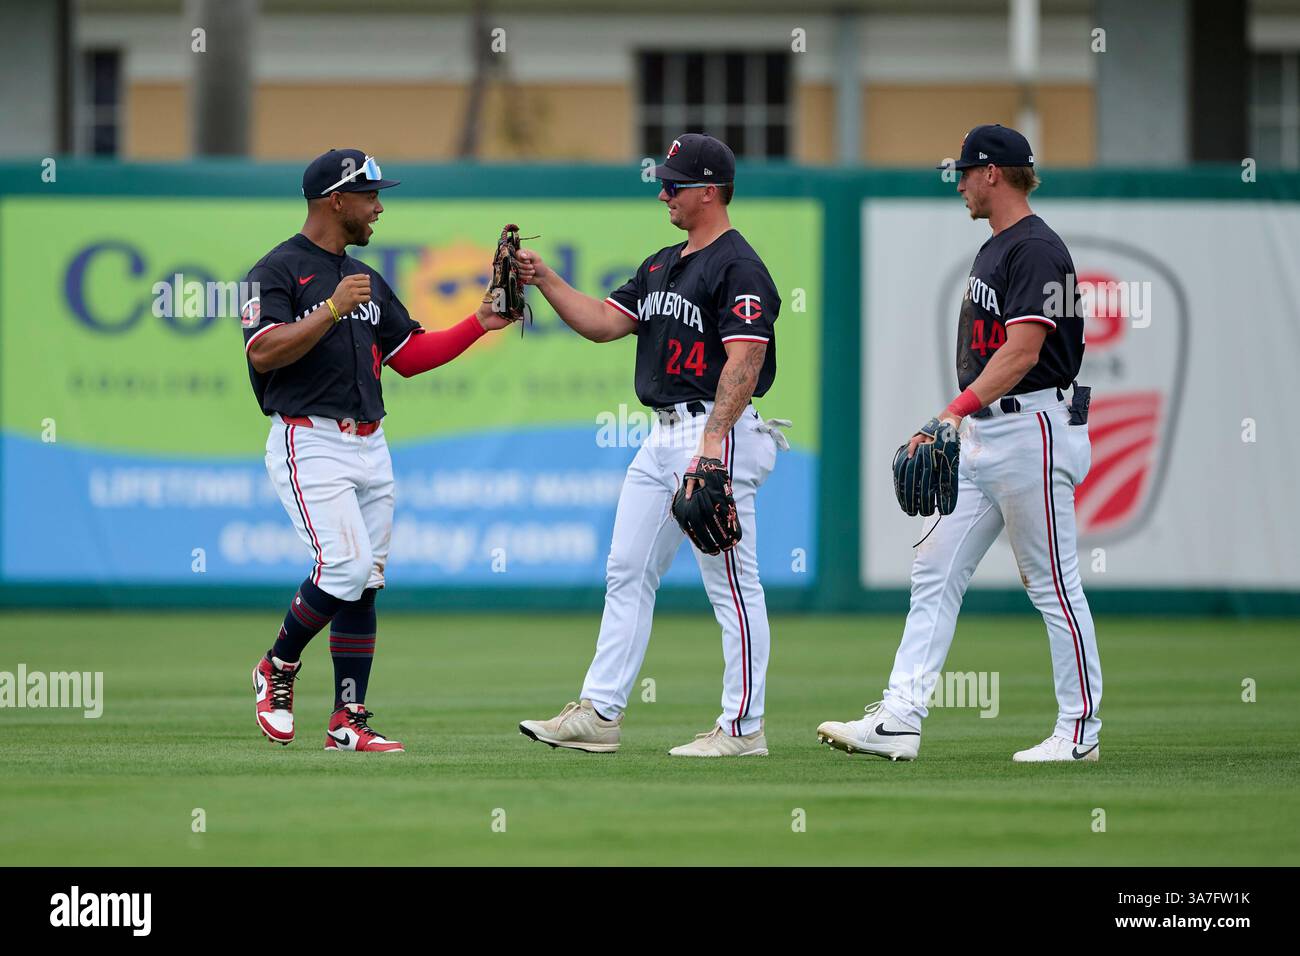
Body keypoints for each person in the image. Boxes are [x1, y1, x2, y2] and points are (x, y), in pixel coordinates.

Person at [817, 124, 1103, 763]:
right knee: (934, 571)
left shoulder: (1035, 250)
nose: (961, 184)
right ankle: (899, 718)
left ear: (994, 174)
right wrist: (965, 420)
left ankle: (1079, 731)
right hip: (986, 432)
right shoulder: (997, 246)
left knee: (1052, 584)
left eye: (966, 173)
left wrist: (951, 411)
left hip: (1033, 429)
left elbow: (1025, 350)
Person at [515, 133, 788, 756]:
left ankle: (743, 729)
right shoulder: (663, 262)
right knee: (627, 571)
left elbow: (745, 359)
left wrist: (713, 445)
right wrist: (546, 278)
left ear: (711, 190)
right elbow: (604, 323)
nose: (664, 191)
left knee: (731, 584)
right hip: (662, 434)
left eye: (676, 183)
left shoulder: (737, 265)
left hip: (716, 431)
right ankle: (600, 714)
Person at [241, 148, 513, 753]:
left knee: (365, 583)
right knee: (343, 567)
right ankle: (277, 667)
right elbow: (263, 351)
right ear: (336, 201)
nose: (379, 207)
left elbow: (409, 356)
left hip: (371, 443)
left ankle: (347, 719)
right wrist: (331, 309)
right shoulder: (277, 271)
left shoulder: (368, 281)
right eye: (369, 196)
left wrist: (478, 322)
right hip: (308, 439)